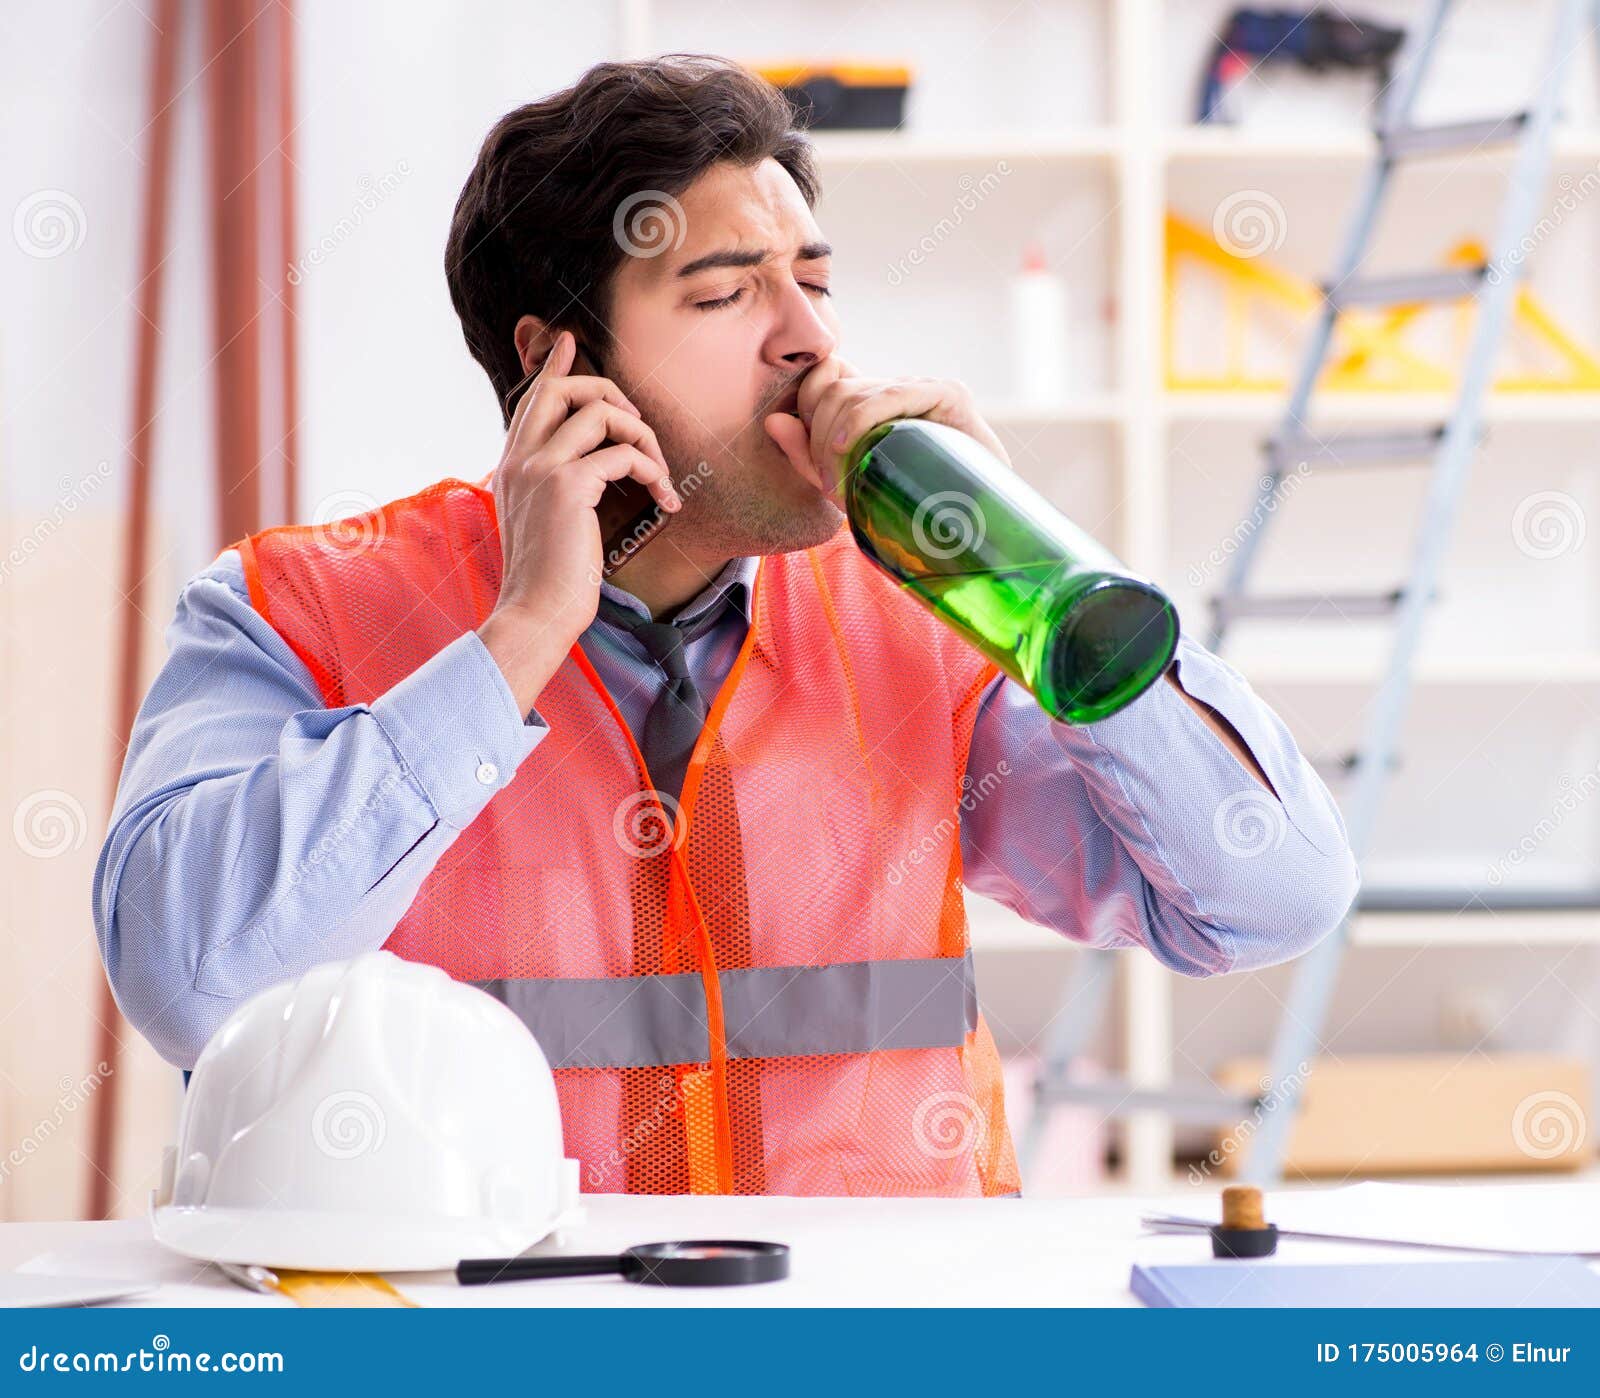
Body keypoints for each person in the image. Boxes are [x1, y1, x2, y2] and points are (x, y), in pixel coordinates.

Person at [94, 54, 1358, 1197]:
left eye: (812, 282)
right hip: (490, 1333)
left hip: (881, 1336)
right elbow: (194, 985)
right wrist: (525, 634)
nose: (809, 340)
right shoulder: (298, 609)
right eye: (725, 297)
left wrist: (1037, 579)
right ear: (558, 368)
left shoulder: (917, 619)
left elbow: (1266, 900)